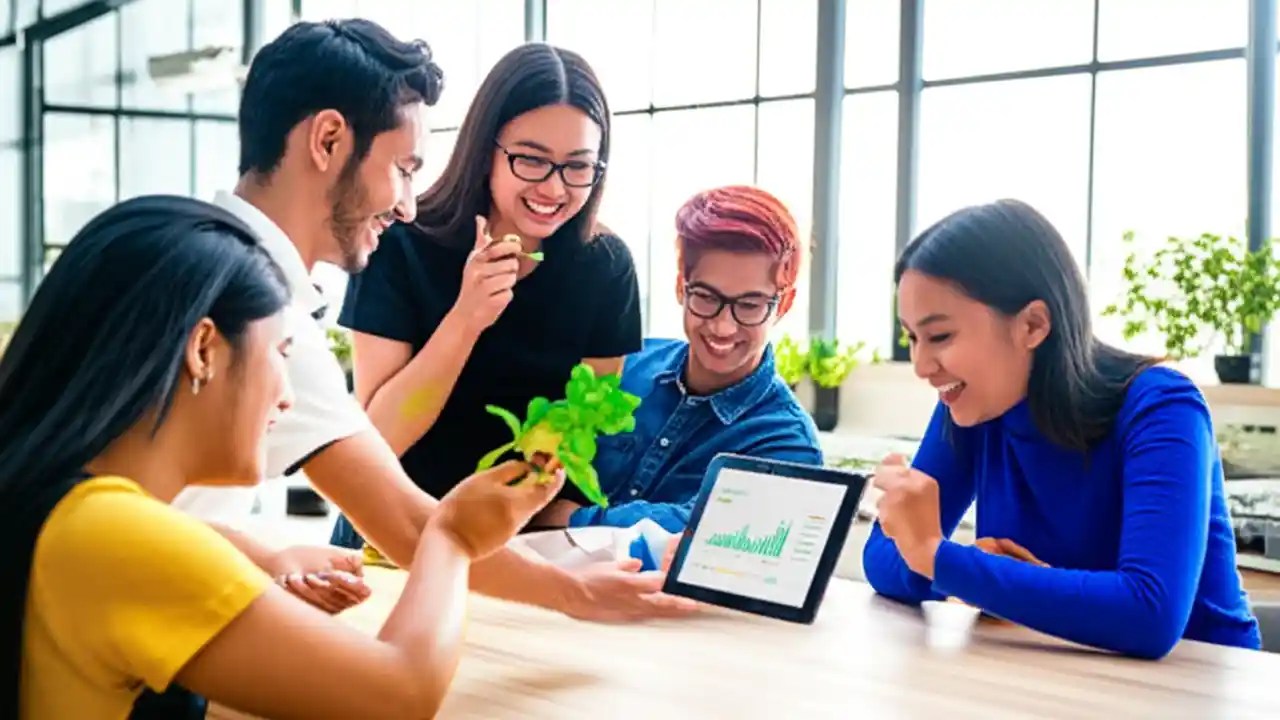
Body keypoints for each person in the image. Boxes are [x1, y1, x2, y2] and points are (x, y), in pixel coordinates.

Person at [171, 20, 690, 622]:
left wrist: (262, 558)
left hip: (505, 548)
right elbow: (399, 504)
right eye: (404, 168)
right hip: (392, 552)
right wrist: (465, 320)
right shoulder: (259, 310)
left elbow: (153, 516)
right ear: (329, 140)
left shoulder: (164, 248)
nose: (407, 203)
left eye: (578, 166)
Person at [1, 195, 563, 719]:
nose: (288, 396)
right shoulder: (115, 536)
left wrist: (262, 561)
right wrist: (451, 539)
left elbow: (171, 542)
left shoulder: (65, 507)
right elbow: (399, 693)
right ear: (203, 350)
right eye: (280, 352)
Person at [862, 198, 1262, 659]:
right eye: (911, 338)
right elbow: (882, 561)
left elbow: (1149, 613)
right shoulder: (971, 407)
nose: (920, 365)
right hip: (1057, 677)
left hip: (1202, 688)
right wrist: (951, 562)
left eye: (940, 337)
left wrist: (944, 560)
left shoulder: (1161, 407)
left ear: (1032, 324)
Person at [335, 42, 644, 541]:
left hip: (521, 538)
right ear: (485, 151)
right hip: (391, 532)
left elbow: (581, 434)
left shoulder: (605, 267)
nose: (554, 188)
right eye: (531, 160)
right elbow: (378, 442)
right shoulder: (401, 244)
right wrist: (467, 318)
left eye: (578, 166)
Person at [532, 185, 824, 533]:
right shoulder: (621, 365)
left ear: (784, 304)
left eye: (749, 306)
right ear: (679, 287)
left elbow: (705, 532)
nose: (723, 326)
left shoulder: (786, 443)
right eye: (705, 297)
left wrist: (567, 516)